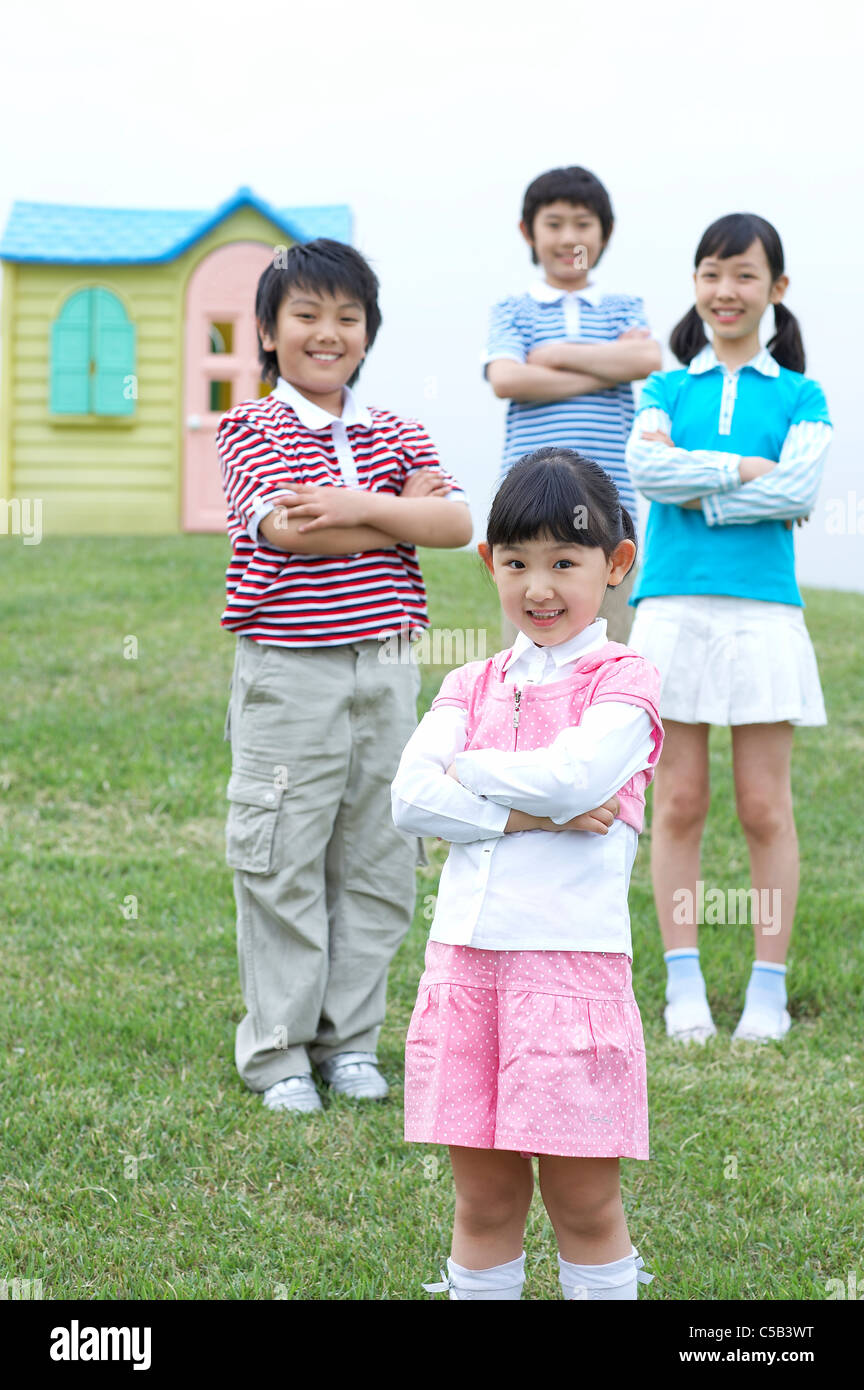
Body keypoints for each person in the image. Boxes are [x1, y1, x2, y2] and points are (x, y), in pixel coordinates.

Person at [391, 448, 664, 1301]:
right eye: (517, 563)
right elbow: (408, 798)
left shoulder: (626, 680)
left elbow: (577, 779)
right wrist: (525, 814)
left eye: (564, 563)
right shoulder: (471, 681)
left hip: (569, 969)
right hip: (467, 969)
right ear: (489, 564)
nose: (539, 588)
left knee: (583, 1204)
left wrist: (467, 773)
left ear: (616, 564)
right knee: (483, 1202)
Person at [217, 238, 472, 1113]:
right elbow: (289, 531)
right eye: (307, 315)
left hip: (388, 669)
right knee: (282, 852)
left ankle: (350, 1042)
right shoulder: (247, 426)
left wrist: (364, 507)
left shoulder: (396, 427)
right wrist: (403, 516)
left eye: (347, 317)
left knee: (378, 856)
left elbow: (455, 523)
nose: (328, 333)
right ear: (268, 329)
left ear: (369, 332)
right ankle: (280, 1053)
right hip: (290, 672)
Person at [624, 212, 832, 1046]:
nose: (726, 290)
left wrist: (700, 491)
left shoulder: (801, 394)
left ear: (775, 289)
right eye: (712, 272)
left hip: (764, 612)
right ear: (696, 284)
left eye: (744, 274)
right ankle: (683, 987)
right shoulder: (667, 389)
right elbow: (645, 468)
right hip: (672, 606)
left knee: (762, 808)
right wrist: (745, 471)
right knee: (676, 802)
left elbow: (800, 493)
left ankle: (767, 990)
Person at [482, 165, 662, 647]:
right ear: (528, 231)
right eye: (554, 223)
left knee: (610, 646)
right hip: (528, 502)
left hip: (610, 506)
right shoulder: (514, 308)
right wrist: (606, 367)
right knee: (527, 650)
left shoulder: (622, 304)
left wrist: (558, 355)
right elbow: (507, 377)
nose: (569, 237)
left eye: (583, 224)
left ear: (606, 232)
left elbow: (647, 358)